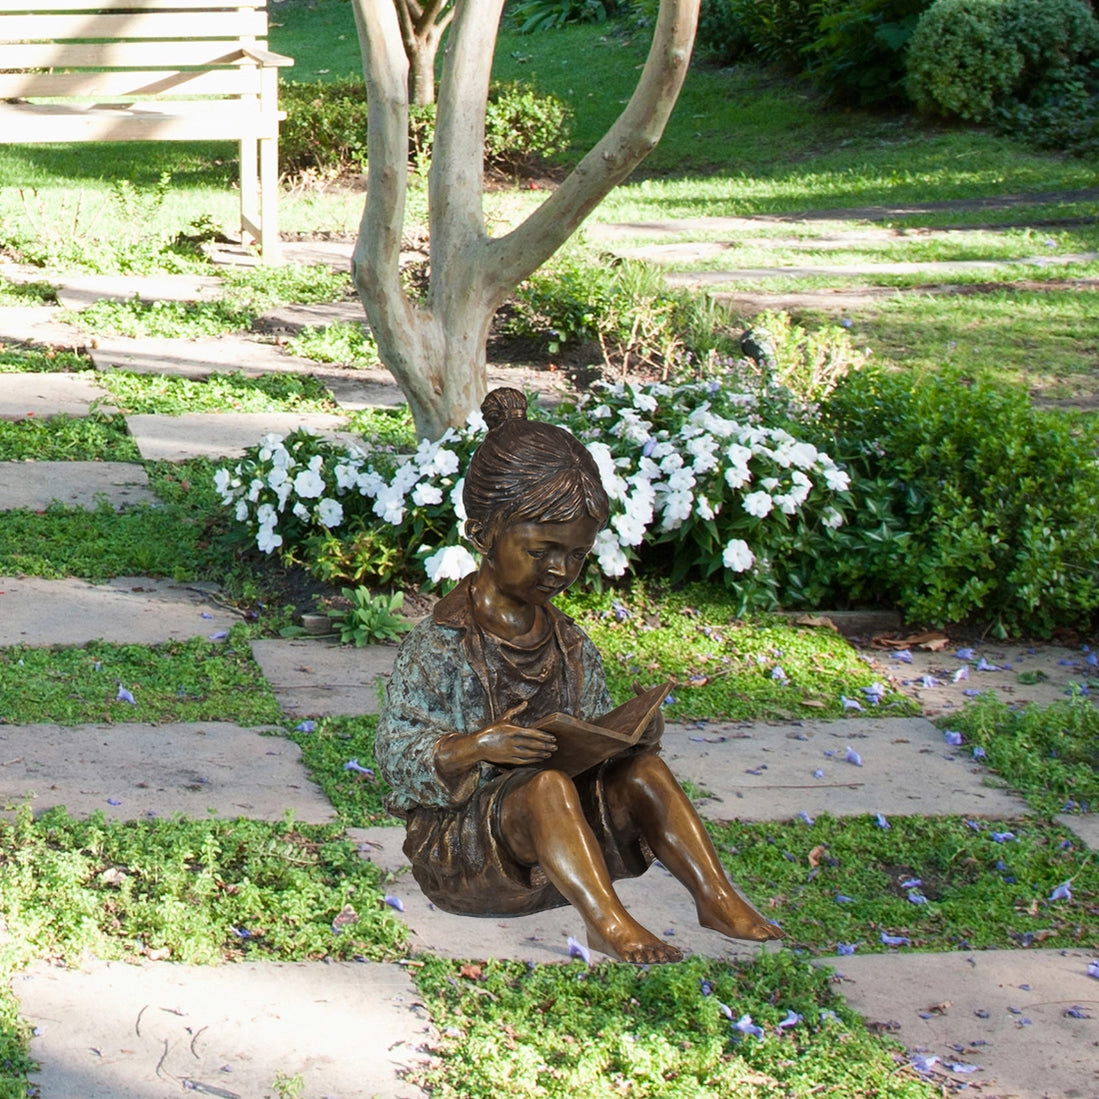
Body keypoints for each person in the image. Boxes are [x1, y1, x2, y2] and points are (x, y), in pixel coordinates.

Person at [375, 387, 781, 963]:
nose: (561, 570)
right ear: (483, 533)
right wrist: (475, 747)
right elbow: (394, 757)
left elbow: (594, 746)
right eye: (542, 550)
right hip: (467, 844)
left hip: (570, 834)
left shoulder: (567, 642)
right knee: (543, 786)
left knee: (642, 770)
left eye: (578, 554)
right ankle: (607, 921)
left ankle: (715, 895)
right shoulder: (440, 644)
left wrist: (626, 734)